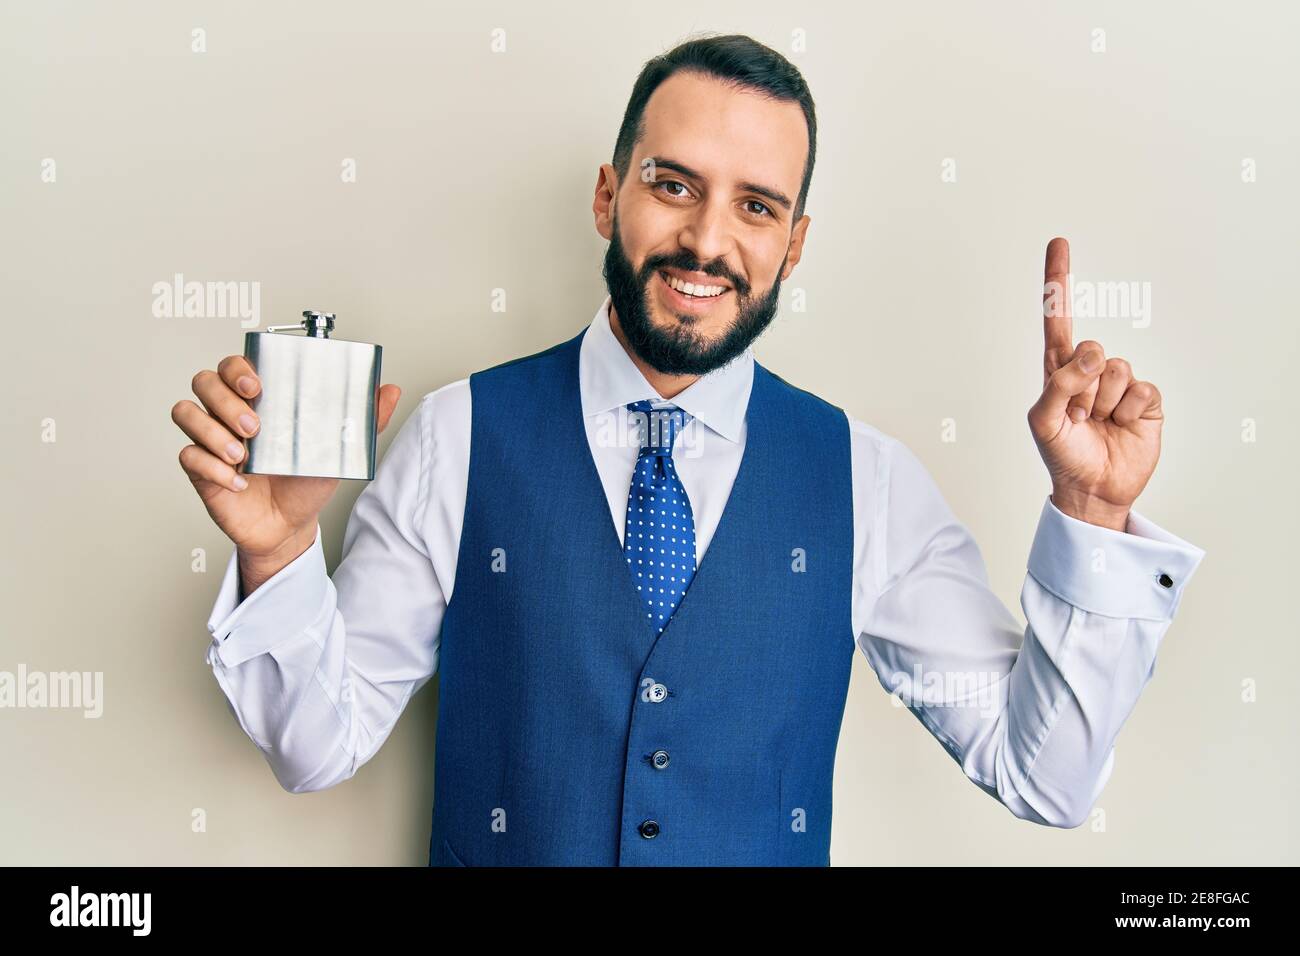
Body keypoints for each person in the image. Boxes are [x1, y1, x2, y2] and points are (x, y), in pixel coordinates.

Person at [171, 34, 1206, 866]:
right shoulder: (457, 435)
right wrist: (278, 549)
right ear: (606, 194)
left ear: (793, 242)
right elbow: (315, 747)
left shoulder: (865, 480)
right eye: (673, 185)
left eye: (756, 205)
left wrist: (1090, 518)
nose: (708, 241)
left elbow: (1049, 780)